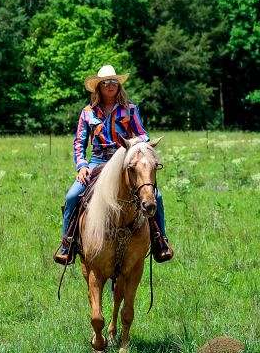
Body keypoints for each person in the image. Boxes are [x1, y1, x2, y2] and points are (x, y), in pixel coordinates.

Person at [53, 65, 173, 265]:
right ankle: (68, 245)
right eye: (106, 83)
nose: (110, 86)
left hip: (125, 160)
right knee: (73, 196)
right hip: (97, 161)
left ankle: (160, 242)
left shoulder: (130, 109)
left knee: (156, 196)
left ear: (119, 86)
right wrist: (82, 166)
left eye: (114, 82)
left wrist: (135, 143)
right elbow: (79, 142)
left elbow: (143, 134)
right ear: (98, 87)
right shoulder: (87, 113)